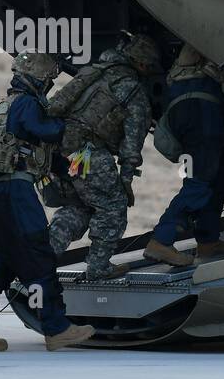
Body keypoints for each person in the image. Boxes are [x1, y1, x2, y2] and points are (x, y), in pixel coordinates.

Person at [0, 51, 94, 352]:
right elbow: (44, 131)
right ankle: (57, 327)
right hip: (16, 195)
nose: (49, 87)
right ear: (40, 78)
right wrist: (70, 128)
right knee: (39, 255)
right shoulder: (27, 103)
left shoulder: (4, 105)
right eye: (49, 81)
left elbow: (36, 151)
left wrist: (69, 167)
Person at [46, 32, 158, 280]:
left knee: (78, 205)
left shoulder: (92, 72)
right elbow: (132, 142)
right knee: (113, 208)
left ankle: (42, 260)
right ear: (141, 64)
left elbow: (57, 105)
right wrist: (126, 179)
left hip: (60, 151)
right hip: (87, 155)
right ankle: (98, 267)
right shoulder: (132, 91)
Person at [146, 46, 224, 264]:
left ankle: (208, 241)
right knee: (201, 179)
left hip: (188, 109)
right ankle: (161, 241)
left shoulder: (199, 40)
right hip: (200, 110)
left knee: (217, 176)